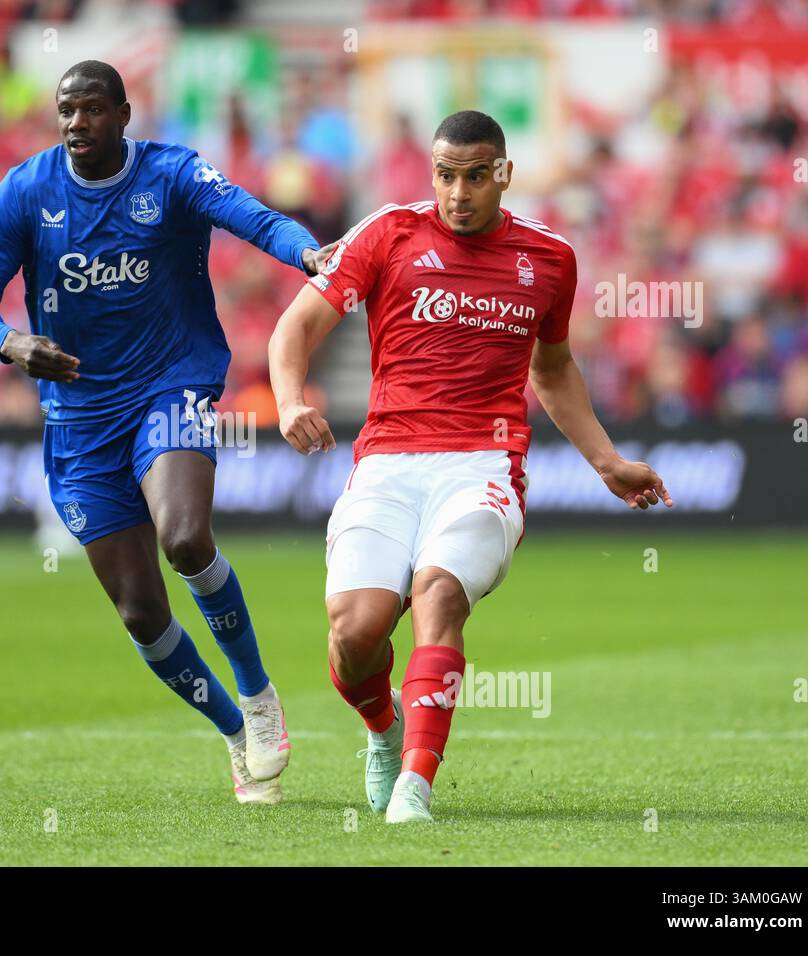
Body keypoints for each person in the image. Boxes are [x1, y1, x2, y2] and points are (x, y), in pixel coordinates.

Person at [268, 110, 673, 823]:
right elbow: (296, 325)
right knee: (355, 634)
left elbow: (552, 369)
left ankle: (415, 787)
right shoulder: (386, 232)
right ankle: (383, 730)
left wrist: (604, 461)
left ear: (505, 174)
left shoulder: (549, 258)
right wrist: (287, 399)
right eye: (447, 176)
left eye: (477, 176)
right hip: (388, 463)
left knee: (438, 595)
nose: (459, 193)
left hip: (484, 462)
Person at [0, 60, 335, 804]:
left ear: (125, 115)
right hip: (79, 417)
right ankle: (231, 729)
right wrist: (11, 343)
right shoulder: (26, 191)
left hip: (171, 383)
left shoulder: (172, 174)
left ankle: (257, 695)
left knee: (185, 536)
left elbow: (254, 218)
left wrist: (307, 254)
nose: (76, 123)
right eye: (66, 110)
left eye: (92, 109)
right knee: (140, 610)